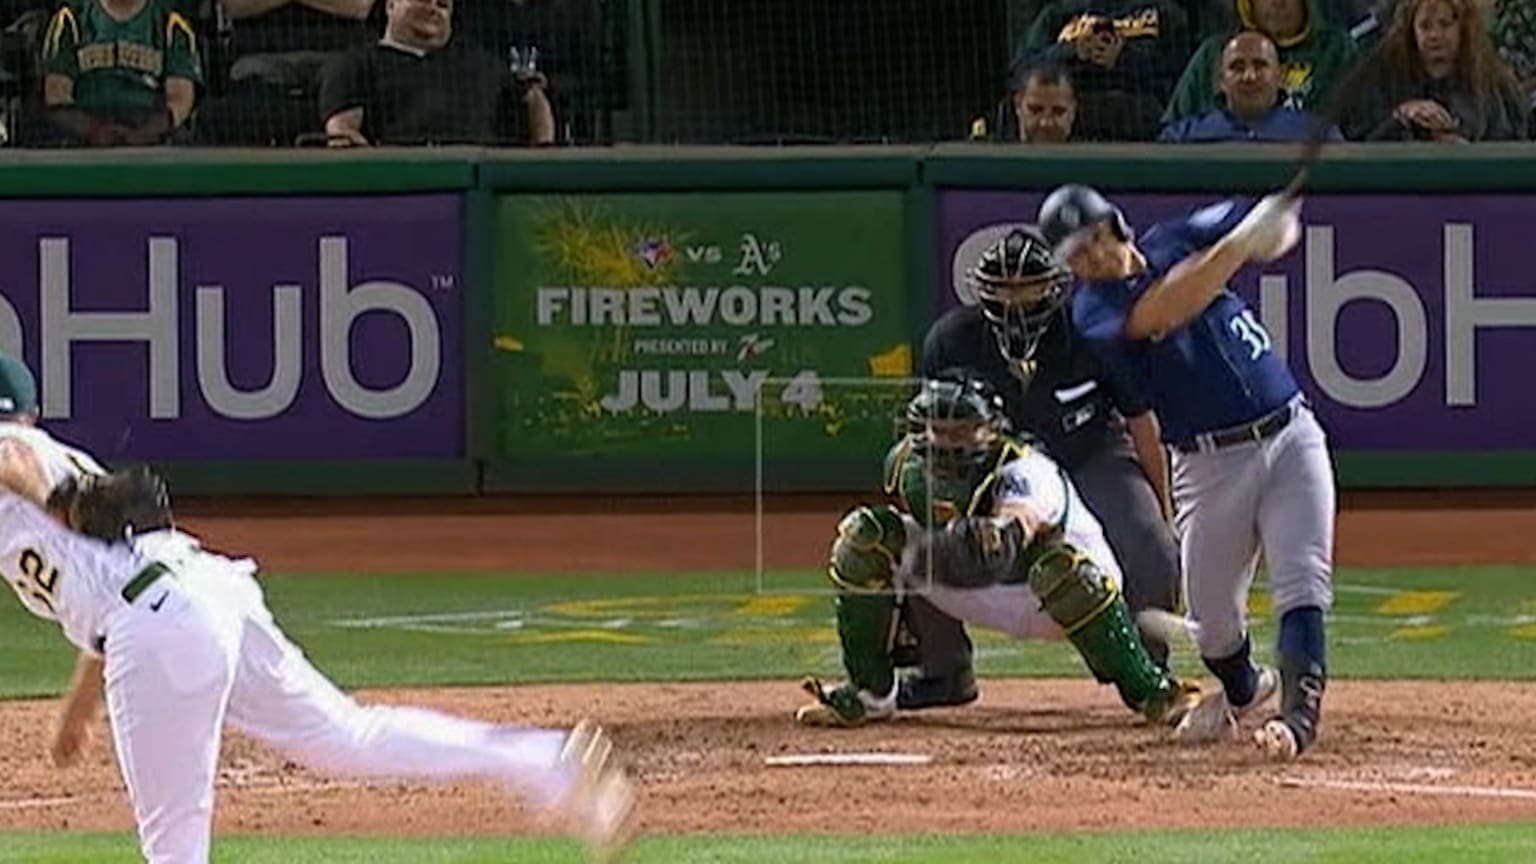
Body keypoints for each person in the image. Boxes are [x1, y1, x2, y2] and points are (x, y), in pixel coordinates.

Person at [0, 353, 635, 863]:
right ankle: (548, 763)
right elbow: (103, 575)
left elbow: (10, 454)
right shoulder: (45, 458)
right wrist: (80, 708)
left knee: (174, 850)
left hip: (161, 622)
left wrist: (56, 495)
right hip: (200, 595)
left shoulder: (19, 452)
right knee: (347, 737)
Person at [1037, 184, 1329, 760]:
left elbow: (1243, 213)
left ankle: (1297, 722)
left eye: (1094, 240)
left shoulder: (1172, 238)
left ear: (1114, 225)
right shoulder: (1093, 311)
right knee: (1215, 625)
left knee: (1303, 581)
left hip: (1291, 435)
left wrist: (1271, 218)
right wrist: (1243, 244)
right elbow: (1176, 302)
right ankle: (1247, 689)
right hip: (1208, 464)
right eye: (1075, 254)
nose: (1090, 258)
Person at [794, 374, 1222, 740]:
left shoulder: (1026, 468)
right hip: (966, 581)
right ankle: (868, 694)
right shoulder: (907, 465)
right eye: (935, 431)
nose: (946, 443)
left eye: (960, 432)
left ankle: (1153, 691)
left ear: (990, 431)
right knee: (863, 537)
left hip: (1046, 597)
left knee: (1062, 570)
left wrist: (997, 533)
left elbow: (1021, 520)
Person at [899, 226, 1182, 713]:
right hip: (989, 466)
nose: (1014, 301)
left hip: (1091, 451)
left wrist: (1165, 507)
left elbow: (1140, 420)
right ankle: (943, 672)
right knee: (927, 538)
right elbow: (927, 427)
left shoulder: (1093, 333)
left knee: (1151, 544)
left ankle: (1147, 668)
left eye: (1027, 288)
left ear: (1054, 286)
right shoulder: (952, 340)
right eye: (1003, 289)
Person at [318, 0, 554, 146]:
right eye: (423, 0)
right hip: (401, 178)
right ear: (391, 5)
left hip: (478, 176)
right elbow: (343, 135)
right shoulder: (356, 64)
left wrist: (543, 154)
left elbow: (532, 97)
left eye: (443, 5)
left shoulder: (480, 62)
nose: (434, 9)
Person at [1340, 0, 1528, 141]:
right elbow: (1361, 139)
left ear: (1463, 28)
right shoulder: (1382, 79)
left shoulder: (1494, 83)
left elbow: (1509, 141)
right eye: (1425, 26)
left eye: (1445, 24)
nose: (1435, 35)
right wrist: (1404, 117)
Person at [1012, 0, 1195, 140]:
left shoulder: (1165, 14)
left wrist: (1124, 58)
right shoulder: (1058, 13)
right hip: (1067, 129)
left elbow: (1182, 78)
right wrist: (1073, 51)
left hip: (1141, 131)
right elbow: (1020, 72)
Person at [1163, 0, 1357, 126]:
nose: (1277, 3)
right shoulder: (1213, 54)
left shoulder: (1338, 52)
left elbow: (1364, 133)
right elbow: (1171, 135)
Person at [41, 0, 202, 145]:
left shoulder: (172, 24)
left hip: (151, 134)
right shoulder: (69, 20)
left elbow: (180, 100)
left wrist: (143, 133)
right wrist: (94, 130)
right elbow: (57, 96)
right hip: (83, 136)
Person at [1159, 30, 1344, 141]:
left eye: (1260, 65)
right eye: (1237, 67)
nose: (1249, 76)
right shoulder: (1181, 137)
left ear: (1279, 78)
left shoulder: (1320, 136)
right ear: (1221, 81)